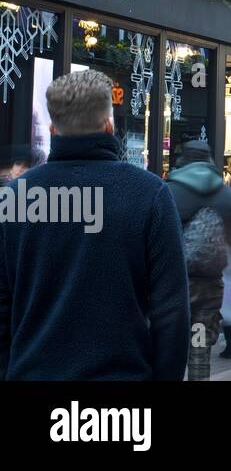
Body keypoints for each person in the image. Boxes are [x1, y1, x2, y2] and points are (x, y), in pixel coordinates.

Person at [0, 70, 189, 379]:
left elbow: (3, 304)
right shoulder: (149, 194)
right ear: (109, 126)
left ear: (53, 130)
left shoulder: (17, 196)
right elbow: (172, 310)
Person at [166, 140, 231, 380]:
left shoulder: (169, 191)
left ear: (184, 159)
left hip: (175, 285)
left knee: (170, 343)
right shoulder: (226, 195)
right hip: (210, 287)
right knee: (199, 343)